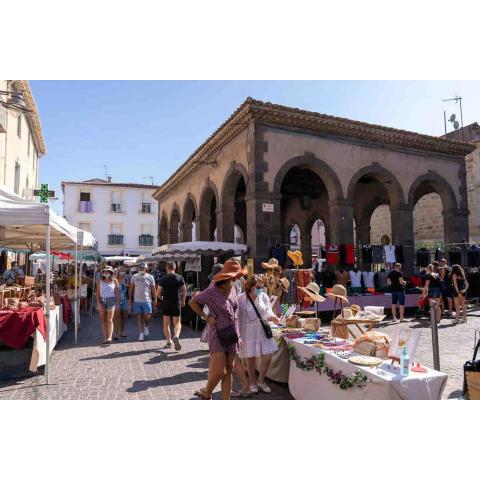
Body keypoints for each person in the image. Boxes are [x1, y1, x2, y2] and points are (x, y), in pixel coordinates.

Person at [188, 259, 247, 400]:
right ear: (228, 278)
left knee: (229, 371)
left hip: (232, 333)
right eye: (235, 277)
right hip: (217, 333)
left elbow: (235, 312)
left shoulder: (232, 289)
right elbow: (192, 302)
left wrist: (238, 336)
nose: (237, 279)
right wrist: (205, 317)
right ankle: (207, 392)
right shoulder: (211, 291)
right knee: (220, 371)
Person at [238, 275, 279, 394]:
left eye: (262, 286)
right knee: (250, 358)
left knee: (267, 356)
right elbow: (238, 316)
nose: (260, 288)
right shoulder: (242, 298)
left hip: (262, 329)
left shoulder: (264, 297)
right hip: (248, 331)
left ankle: (261, 380)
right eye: (258, 286)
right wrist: (238, 333)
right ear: (250, 286)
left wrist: (273, 317)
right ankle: (253, 383)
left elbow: (267, 311)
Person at [159, 261, 186, 350]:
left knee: (166, 324)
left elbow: (158, 293)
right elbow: (184, 290)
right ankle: (176, 336)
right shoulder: (179, 277)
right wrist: (183, 301)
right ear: (175, 268)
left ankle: (169, 342)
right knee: (177, 323)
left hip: (166, 302)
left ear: (167, 268)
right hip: (176, 302)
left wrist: (162, 299)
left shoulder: (163, 278)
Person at [130, 262, 157, 341]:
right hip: (137, 300)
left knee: (147, 317)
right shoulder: (134, 276)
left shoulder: (150, 277)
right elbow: (131, 288)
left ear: (146, 268)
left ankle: (146, 326)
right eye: (140, 268)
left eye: (143, 268)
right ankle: (140, 333)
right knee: (138, 317)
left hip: (147, 300)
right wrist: (129, 298)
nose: (141, 269)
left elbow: (153, 289)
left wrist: (155, 299)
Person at [96, 266, 120, 345]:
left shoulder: (115, 281)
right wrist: (98, 303)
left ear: (111, 273)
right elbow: (97, 293)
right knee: (103, 320)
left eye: (107, 271)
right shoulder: (99, 281)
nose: (105, 272)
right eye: (104, 271)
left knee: (110, 319)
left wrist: (117, 303)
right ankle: (104, 337)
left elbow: (117, 293)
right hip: (102, 300)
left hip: (111, 300)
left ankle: (109, 337)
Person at [114, 267, 129, 338]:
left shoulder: (126, 279)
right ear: (117, 272)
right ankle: (116, 333)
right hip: (116, 300)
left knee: (123, 317)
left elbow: (129, 288)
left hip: (125, 299)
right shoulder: (114, 280)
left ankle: (122, 331)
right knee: (117, 317)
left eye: (123, 271)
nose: (122, 272)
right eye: (121, 271)